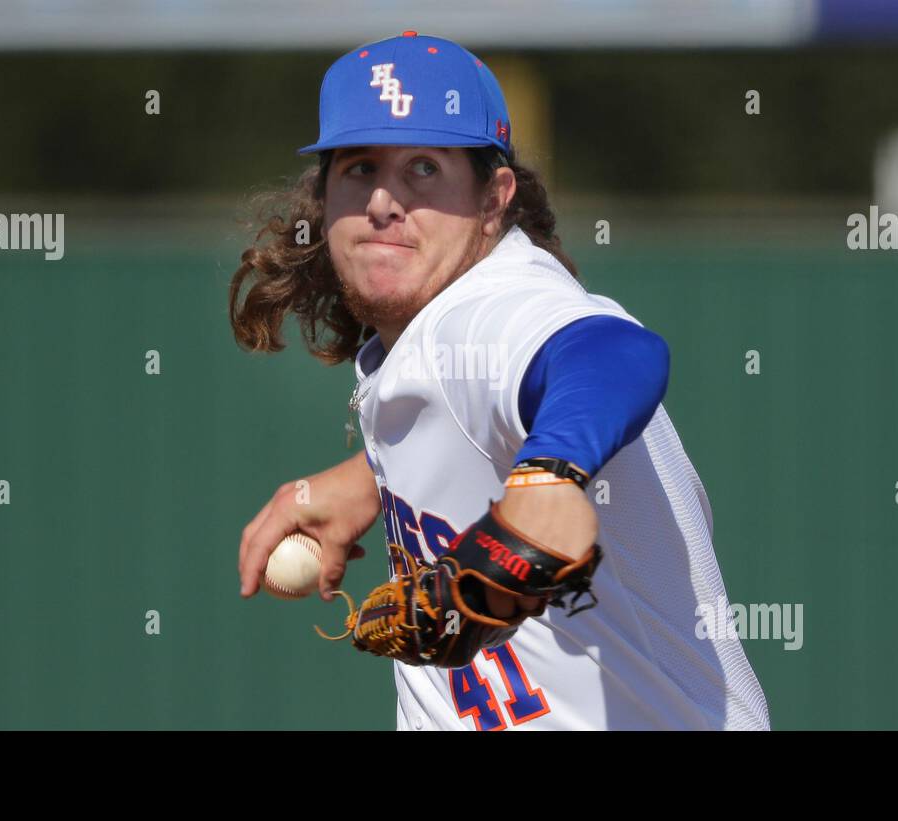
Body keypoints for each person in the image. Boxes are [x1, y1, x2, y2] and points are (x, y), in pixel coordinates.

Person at [231, 31, 769, 730]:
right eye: (360, 168)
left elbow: (612, 353)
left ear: (494, 199)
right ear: (325, 200)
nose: (384, 201)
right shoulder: (432, 338)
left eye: (424, 167)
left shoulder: (488, 313)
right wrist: (370, 476)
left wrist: (549, 476)